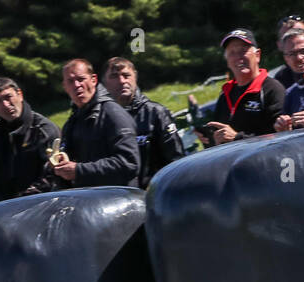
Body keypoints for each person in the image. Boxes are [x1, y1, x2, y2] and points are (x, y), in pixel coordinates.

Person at [54, 59, 140, 188]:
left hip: (118, 201)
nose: (77, 85)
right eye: (71, 81)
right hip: (88, 202)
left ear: (93, 80)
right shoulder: (72, 123)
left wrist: (79, 170)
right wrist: (59, 167)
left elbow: (129, 163)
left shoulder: (113, 114)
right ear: (65, 87)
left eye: (81, 79)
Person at [101, 57, 184, 186]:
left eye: (126, 75)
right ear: (104, 83)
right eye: (114, 76)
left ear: (135, 77)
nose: (122, 81)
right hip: (113, 199)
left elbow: (176, 162)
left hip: (151, 196)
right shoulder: (99, 119)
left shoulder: (156, 113)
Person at [0, 77, 62, 202]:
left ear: (20, 95)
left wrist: (20, 202)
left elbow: (51, 176)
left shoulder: (44, 130)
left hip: (41, 205)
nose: (5, 105)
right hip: (4, 210)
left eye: (8, 97)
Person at [201, 29, 287, 146]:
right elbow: (218, 139)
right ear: (227, 61)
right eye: (232, 52)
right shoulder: (226, 93)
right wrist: (210, 139)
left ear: (257, 55)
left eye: (243, 51)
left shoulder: (272, 90)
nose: (238, 57)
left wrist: (237, 137)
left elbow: (280, 138)